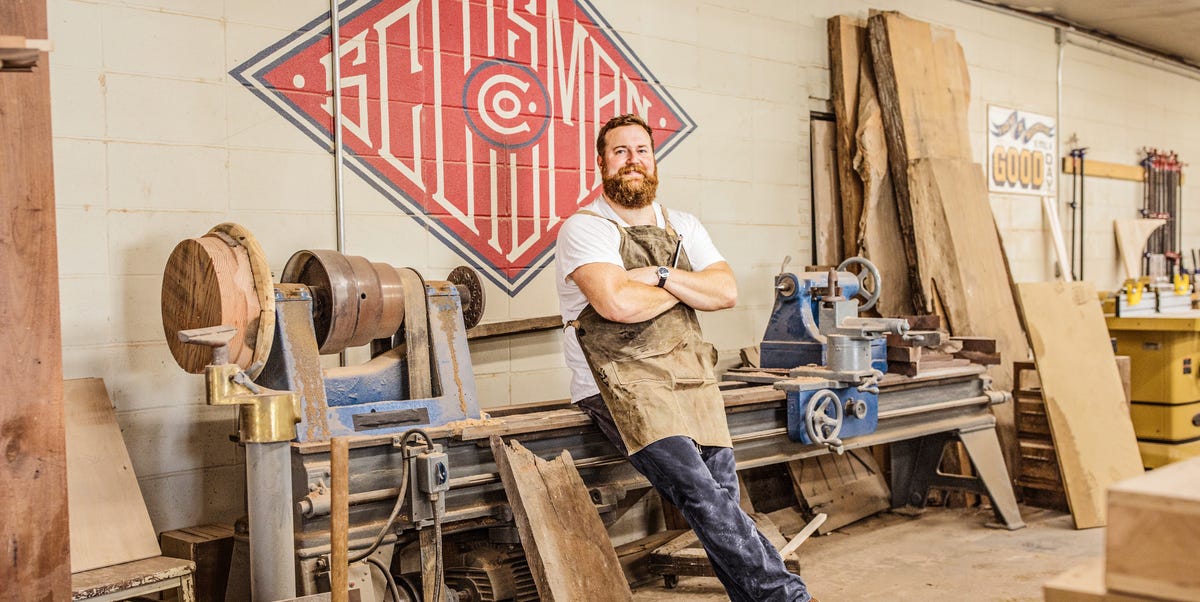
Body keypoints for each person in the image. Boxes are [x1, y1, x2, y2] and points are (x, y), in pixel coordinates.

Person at [554, 113, 815, 602]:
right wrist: (684, 285)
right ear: (601, 164)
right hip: (619, 384)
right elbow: (616, 304)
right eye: (620, 152)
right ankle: (788, 597)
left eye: (641, 150)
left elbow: (726, 291)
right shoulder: (585, 228)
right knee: (703, 496)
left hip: (690, 380)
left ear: (653, 161)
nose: (632, 160)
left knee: (722, 499)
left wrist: (656, 276)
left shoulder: (683, 226)